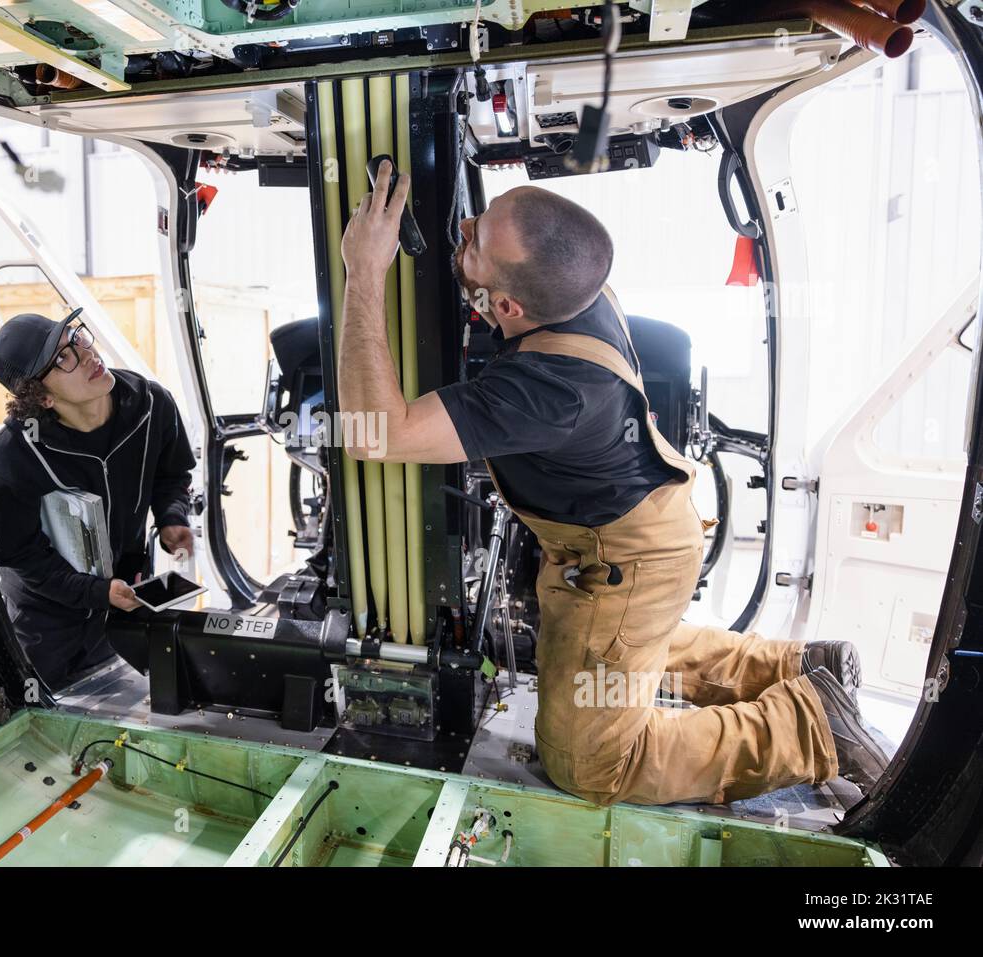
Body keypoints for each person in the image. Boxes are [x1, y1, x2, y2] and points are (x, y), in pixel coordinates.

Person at [335, 164, 888, 806]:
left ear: (507, 307)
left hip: (624, 562)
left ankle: (811, 725)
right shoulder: (579, 290)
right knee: (618, 645)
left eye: (476, 238)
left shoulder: (550, 389)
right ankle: (798, 666)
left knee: (592, 765)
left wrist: (364, 272)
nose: (463, 225)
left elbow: (375, 435)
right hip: (642, 537)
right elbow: (503, 303)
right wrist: (473, 268)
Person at [0, 308, 196, 690]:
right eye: (63, 357)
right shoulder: (15, 456)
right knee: (46, 709)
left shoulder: (151, 405)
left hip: (121, 595)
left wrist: (171, 516)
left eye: (76, 338)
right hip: (46, 620)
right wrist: (95, 593)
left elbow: (171, 475)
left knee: (119, 696)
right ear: (42, 396)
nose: (87, 354)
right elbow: (23, 556)